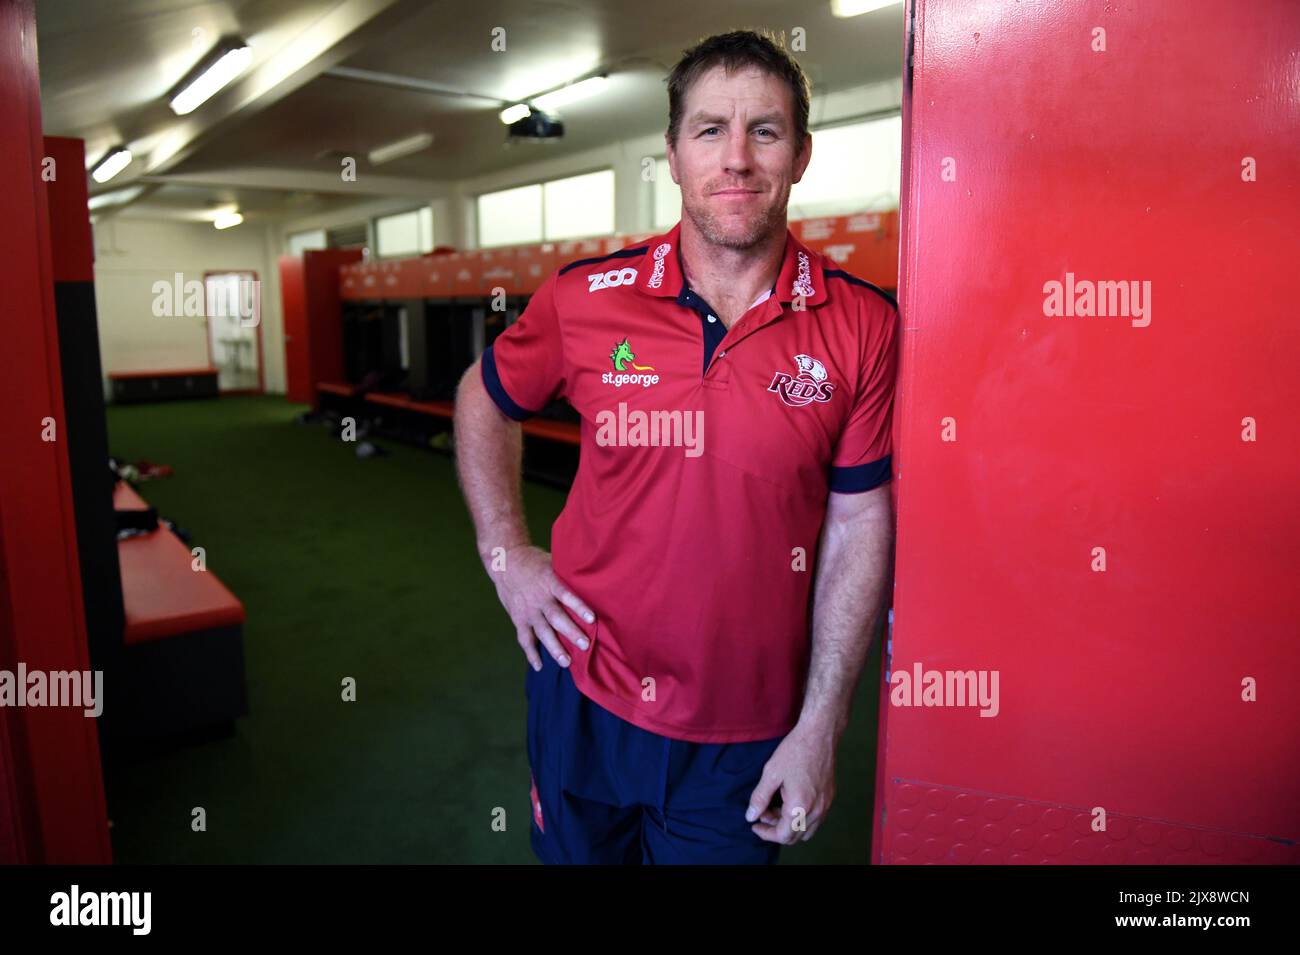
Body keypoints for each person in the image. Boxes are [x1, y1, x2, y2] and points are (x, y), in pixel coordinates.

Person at [454, 29, 898, 864]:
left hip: (746, 728)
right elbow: (485, 397)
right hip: (584, 691)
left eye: (764, 131)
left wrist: (823, 722)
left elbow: (859, 519)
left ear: (801, 155)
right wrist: (505, 553)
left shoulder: (864, 324)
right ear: (672, 154)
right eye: (709, 130)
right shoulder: (584, 299)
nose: (736, 158)